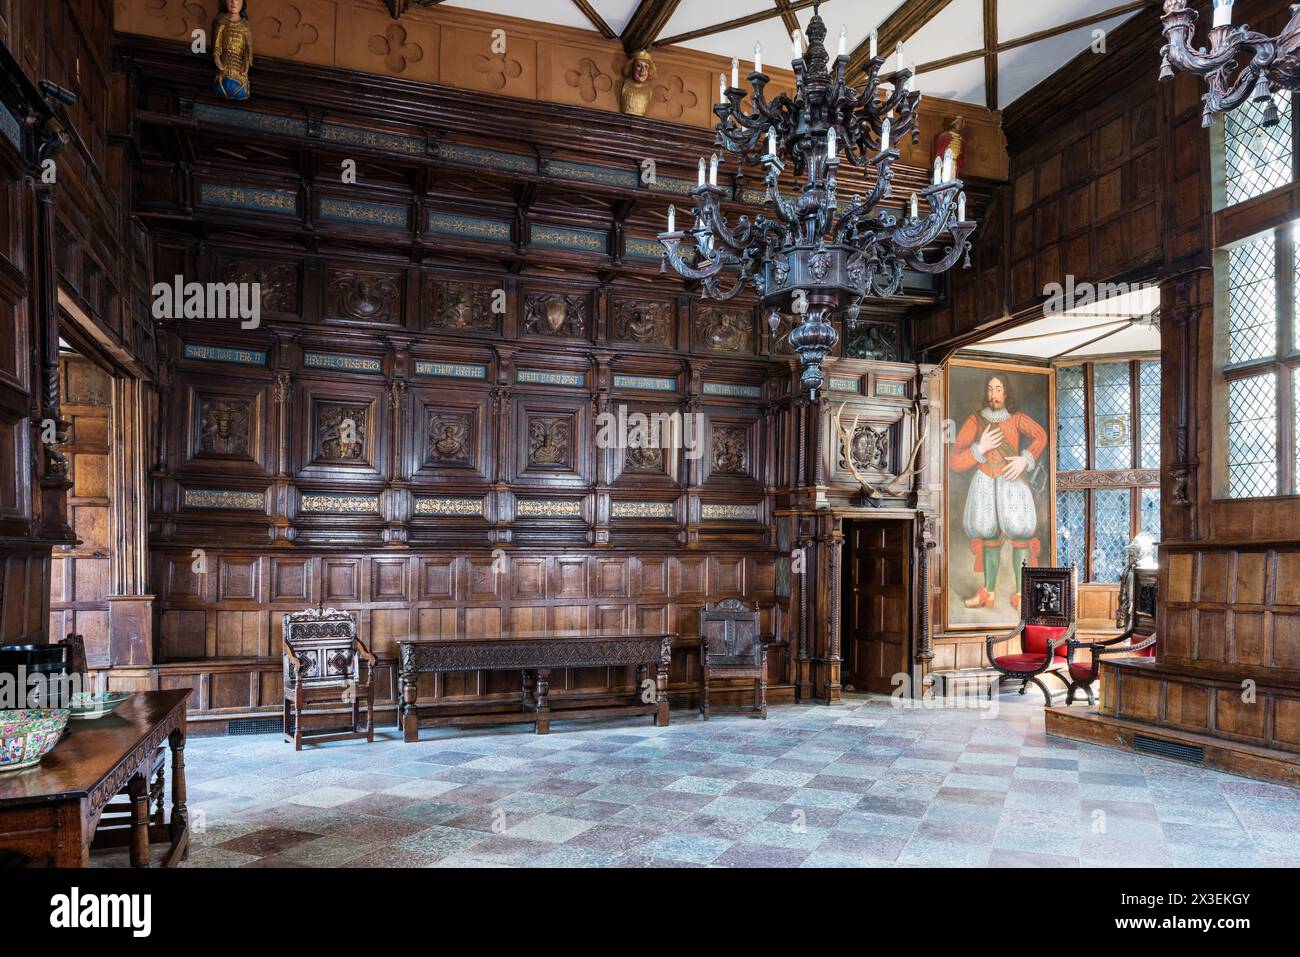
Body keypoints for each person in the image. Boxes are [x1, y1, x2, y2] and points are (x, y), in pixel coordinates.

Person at [950, 372, 1047, 610]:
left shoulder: (1016, 419)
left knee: (1020, 536)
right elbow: (954, 461)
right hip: (984, 482)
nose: (994, 394)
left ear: (1006, 393)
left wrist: (1024, 460)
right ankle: (988, 593)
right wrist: (980, 448)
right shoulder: (976, 420)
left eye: (999, 389)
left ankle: (1020, 594)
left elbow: (1041, 436)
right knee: (989, 537)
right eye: (991, 389)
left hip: (1011, 481)